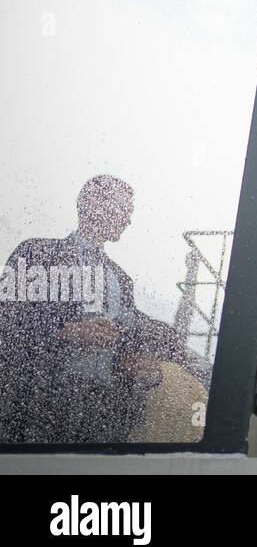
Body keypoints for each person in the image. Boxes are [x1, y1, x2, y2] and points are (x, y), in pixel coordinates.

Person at [0, 175, 206, 443]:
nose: (128, 219)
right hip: (39, 409)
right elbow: (7, 321)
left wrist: (154, 367)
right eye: (124, 208)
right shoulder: (36, 253)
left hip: (100, 413)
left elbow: (133, 331)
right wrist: (67, 331)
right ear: (94, 204)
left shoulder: (120, 278)